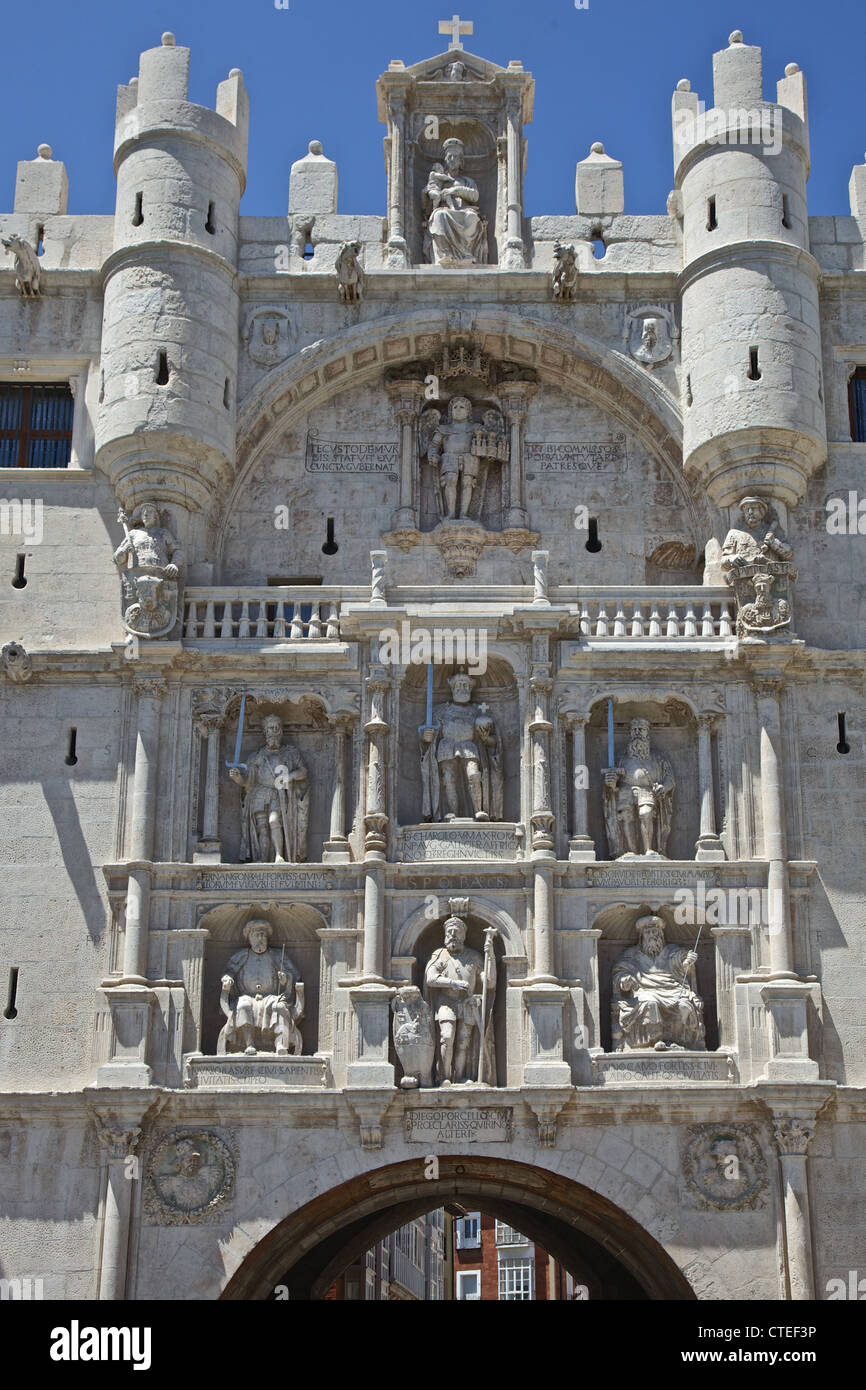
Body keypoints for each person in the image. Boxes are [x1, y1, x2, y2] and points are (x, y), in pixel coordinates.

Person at [611, 914, 704, 1051]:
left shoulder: (672, 951)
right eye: (647, 932)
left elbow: (683, 966)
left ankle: (680, 1042)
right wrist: (624, 980)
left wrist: (687, 963)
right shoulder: (632, 955)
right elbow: (621, 971)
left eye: (654, 932)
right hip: (644, 991)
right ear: (642, 936)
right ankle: (654, 1040)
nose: (651, 936)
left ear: (661, 934)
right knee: (650, 1003)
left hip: (672, 989)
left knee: (684, 1004)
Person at [420, 671, 502, 822]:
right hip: (447, 746)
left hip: (469, 746)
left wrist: (486, 739)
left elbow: (493, 743)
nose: (462, 688)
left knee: (474, 775)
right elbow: (426, 735)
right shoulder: (441, 711)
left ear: (471, 688)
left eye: (466, 685)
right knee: (448, 778)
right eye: (459, 685)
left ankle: (479, 810)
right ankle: (452, 813)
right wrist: (426, 737)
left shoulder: (477, 711)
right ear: (452, 688)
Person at [424, 916, 496, 1084]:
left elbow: (490, 982)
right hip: (446, 1002)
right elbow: (430, 978)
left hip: (467, 1004)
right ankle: (444, 1077)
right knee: (447, 1037)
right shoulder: (440, 955)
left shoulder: (475, 957)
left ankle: (459, 1076)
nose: (453, 935)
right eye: (449, 932)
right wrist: (453, 983)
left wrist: (491, 955)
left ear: (464, 935)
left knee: (463, 1043)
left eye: (457, 932)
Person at [230, 714, 308, 862]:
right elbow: (248, 782)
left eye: (276, 728)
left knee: (274, 821)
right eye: (270, 729)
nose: (273, 732)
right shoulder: (257, 756)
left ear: (281, 731)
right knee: (262, 827)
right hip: (259, 794)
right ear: (265, 732)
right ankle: (263, 859)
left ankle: (279, 856)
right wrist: (237, 777)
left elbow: (303, 772)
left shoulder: (290, 753)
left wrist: (289, 777)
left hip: (277, 794)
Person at [218, 920, 304, 1055]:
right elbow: (228, 972)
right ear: (249, 938)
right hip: (247, 996)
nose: (260, 939)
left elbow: (295, 975)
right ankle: (249, 1044)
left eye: (263, 935)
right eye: (257, 935)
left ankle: (281, 1044)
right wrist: (227, 979)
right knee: (243, 1005)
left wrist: (285, 979)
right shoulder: (241, 955)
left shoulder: (276, 955)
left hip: (271, 997)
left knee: (280, 1007)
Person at [603, 717, 675, 857]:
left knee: (646, 813)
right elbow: (612, 782)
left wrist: (663, 787)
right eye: (634, 730)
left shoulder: (658, 757)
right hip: (625, 790)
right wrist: (610, 783)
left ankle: (649, 849)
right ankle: (631, 851)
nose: (637, 733)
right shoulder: (621, 757)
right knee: (626, 815)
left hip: (647, 790)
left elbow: (670, 778)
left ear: (647, 733)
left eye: (640, 730)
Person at [424, 137, 487, 267]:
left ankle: (465, 253)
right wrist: (435, 195)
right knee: (438, 216)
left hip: (464, 211)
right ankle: (446, 253)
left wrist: (456, 190)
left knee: (472, 218)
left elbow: (475, 196)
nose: (453, 160)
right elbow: (428, 196)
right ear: (445, 160)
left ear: (461, 161)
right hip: (445, 210)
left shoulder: (466, 180)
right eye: (450, 157)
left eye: (456, 157)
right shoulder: (440, 180)